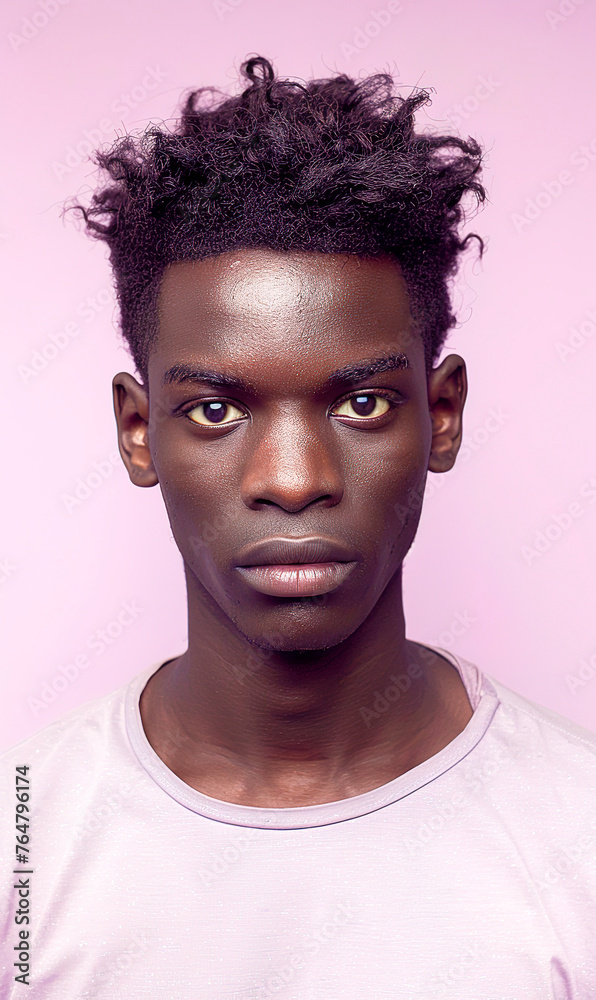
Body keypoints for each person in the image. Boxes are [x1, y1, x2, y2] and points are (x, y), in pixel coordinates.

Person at [1, 54, 595, 998]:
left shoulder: (580, 836)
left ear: (440, 416)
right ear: (136, 430)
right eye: (214, 411)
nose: (293, 481)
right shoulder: (20, 838)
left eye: (360, 403)